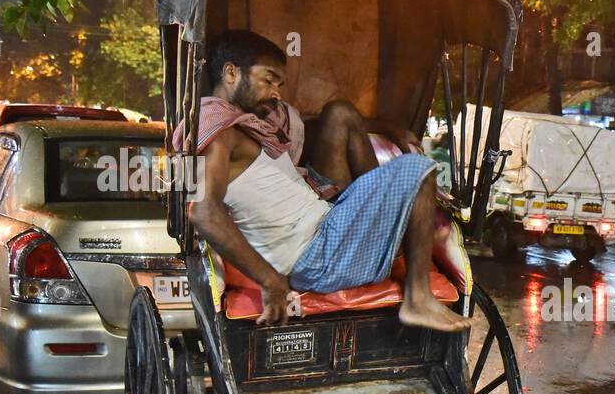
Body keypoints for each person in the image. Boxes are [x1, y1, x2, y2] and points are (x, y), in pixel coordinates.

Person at [185, 30, 467, 332]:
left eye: (280, 84)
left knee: (341, 113)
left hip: (324, 226)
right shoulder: (219, 134)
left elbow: (314, 126)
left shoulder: (245, 125)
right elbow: (204, 212)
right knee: (417, 170)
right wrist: (269, 280)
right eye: (268, 80)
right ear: (230, 72)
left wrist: (386, 126)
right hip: (316, 255)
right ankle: (418, 298)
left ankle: (386, 223)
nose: (277, 93)